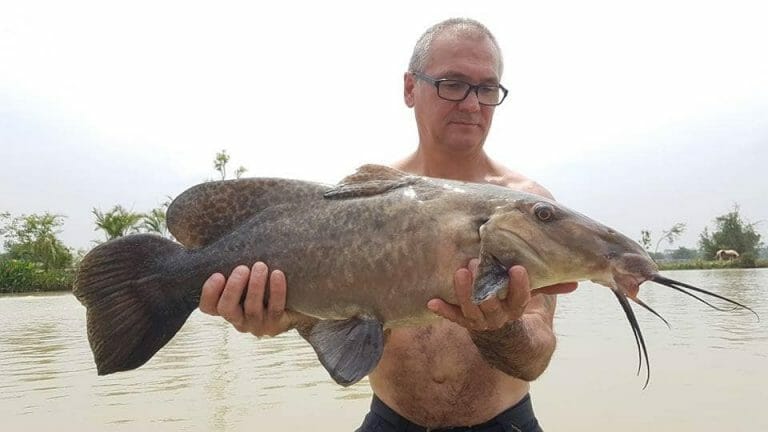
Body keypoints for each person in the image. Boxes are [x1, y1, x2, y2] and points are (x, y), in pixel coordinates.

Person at [199, 18, 577, 432]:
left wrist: (500, 327)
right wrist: (279, 316)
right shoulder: (363, 201)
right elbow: (328, 319)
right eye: (452, 83)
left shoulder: (532, 211)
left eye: (487, 88)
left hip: (506, 423)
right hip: (390, 420)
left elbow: (535, 356)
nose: (472, 104)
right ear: (410, 89)